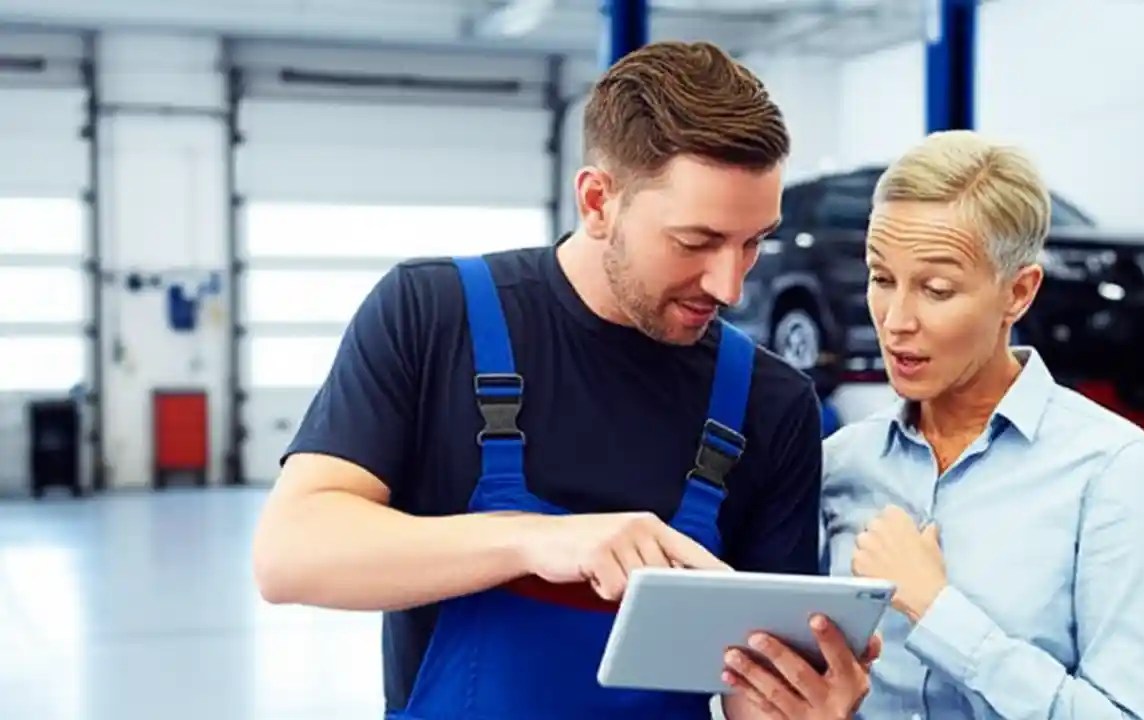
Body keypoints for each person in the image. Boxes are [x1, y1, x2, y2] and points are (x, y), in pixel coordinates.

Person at [251, 41, 876, 720]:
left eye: (753, 241)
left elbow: (755, 685)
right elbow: (291, 555)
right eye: (695, 242)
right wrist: (540, 539)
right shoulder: (432, 315)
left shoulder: (772, 403)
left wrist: (805, 706)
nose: (729, 285)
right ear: (598, 201)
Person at [813, 129, 1144, 718]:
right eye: (881, 279)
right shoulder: (840, 464)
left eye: (937, 289)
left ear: (1018, 292)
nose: (896, 321)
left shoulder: (1114, 472)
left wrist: (939, 612)